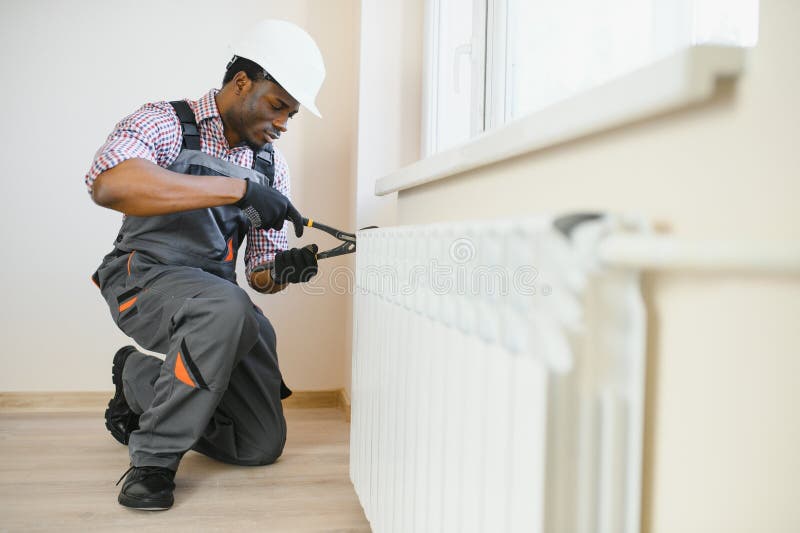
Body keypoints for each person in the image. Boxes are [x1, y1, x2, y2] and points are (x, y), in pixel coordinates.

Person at [85, 19, 325, 510]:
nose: (282, 124)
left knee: (258, 443)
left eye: (291, 115)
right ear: (242, 84)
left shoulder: (269, 166)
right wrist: (237, 189)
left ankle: (136, 378)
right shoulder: (165, 121)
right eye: (278, 106)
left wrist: (281, 270)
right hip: (144, 276)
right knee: (227, 306)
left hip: (219, 301)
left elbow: (258, 272)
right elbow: (110, 184)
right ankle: (152, 462)